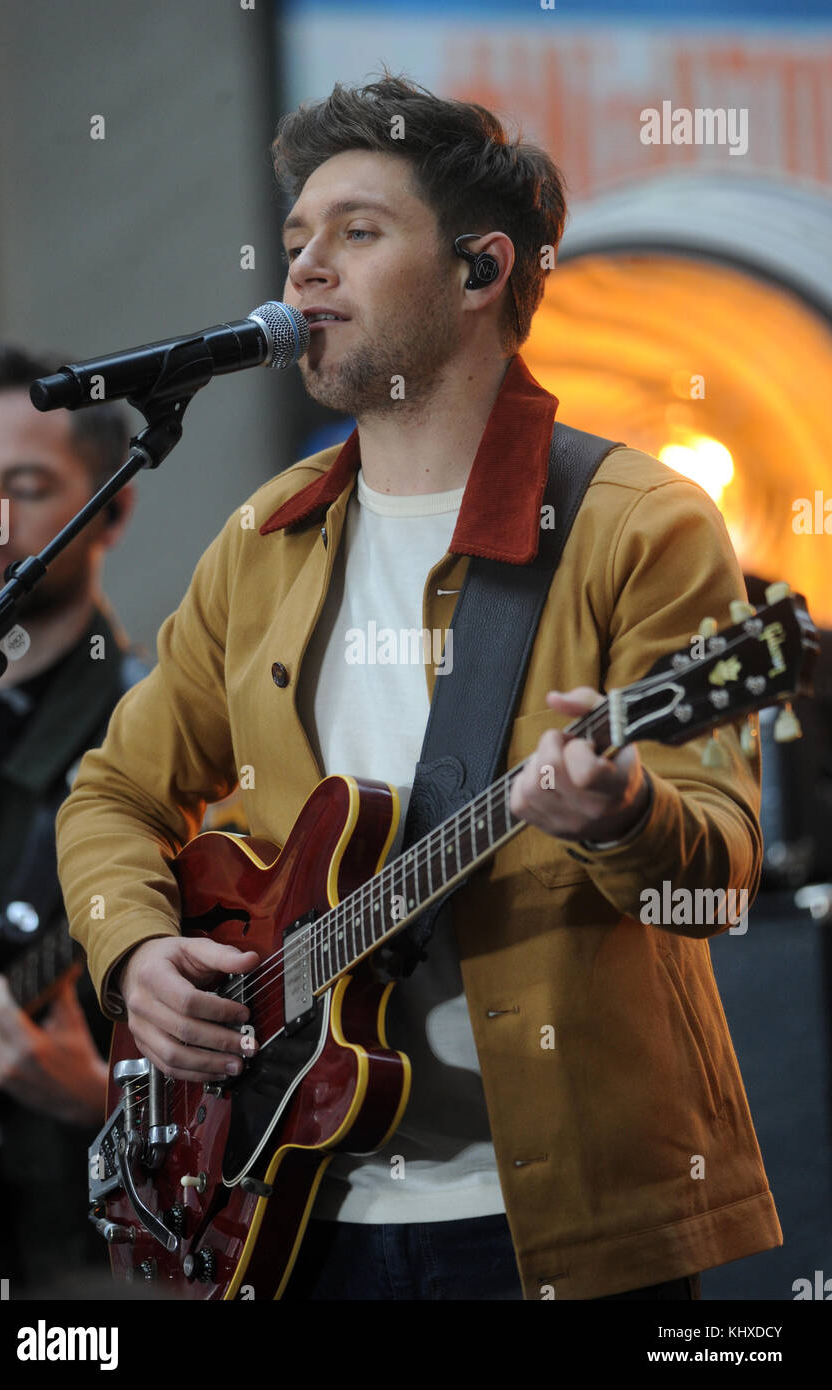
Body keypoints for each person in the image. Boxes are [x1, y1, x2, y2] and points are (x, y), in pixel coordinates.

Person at [55, 74, 781, 1301]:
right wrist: (133, 953)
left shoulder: (636, 523)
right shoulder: (265, 537)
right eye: (297, 238)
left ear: (480, 269)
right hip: (292, 1208)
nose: (303, 269)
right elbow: (113, 792)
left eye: (356, 232)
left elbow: (716, 876)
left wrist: (620, 814)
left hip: (557, 1223)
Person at [0, 343, 141, 1289]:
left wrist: (100, 1096)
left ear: (113, 508)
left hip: (79, 1266)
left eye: (27, 486)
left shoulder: (165, 739)